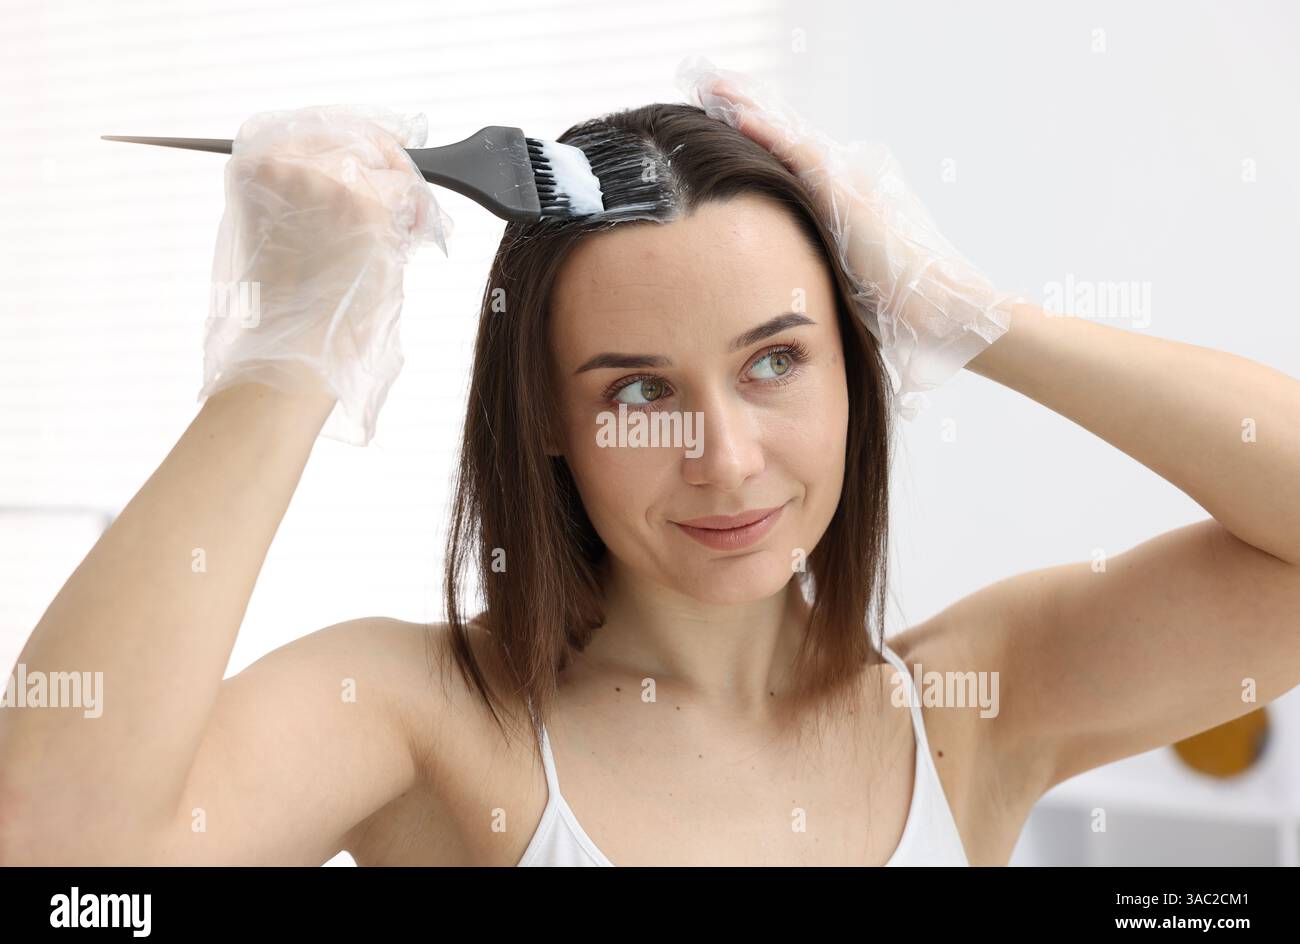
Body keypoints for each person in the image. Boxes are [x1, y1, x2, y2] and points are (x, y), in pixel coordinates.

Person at [3, 62, 1299, 868]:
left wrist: (972, 312)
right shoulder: (426, 719)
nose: (725, 459)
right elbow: (62, 856)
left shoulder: (974, 704)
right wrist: (290, 351)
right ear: (549, 423)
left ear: (858, 366)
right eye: (638, 389)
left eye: (776, 361)